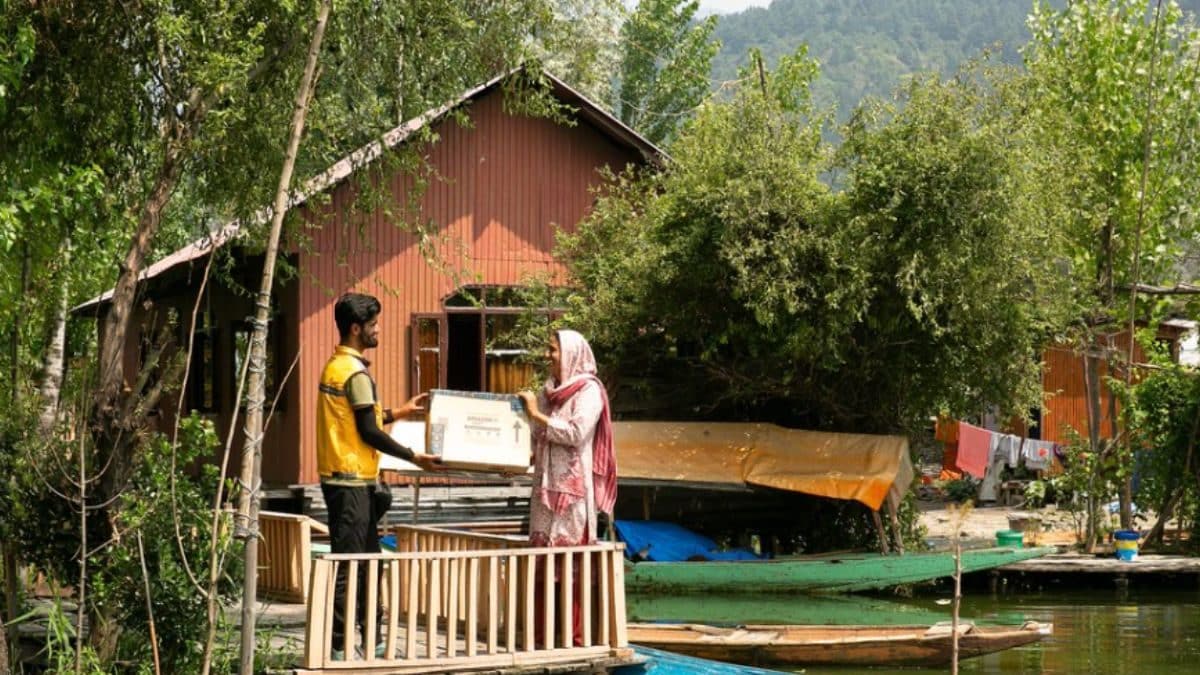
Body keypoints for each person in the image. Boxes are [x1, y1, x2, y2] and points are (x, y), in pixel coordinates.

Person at [316, 292, 441, 659]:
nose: (378, 330)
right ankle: (340, 645)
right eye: (373, 325)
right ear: (356, 329)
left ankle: (372, 637)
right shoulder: (354, 372)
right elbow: (368, 431)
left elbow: (359, 418)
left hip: (350, 478)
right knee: (351, 564)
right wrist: (413, 457)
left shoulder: (338, 366)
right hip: (349, 478)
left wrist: (397, 412)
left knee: (370, 561)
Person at [517, 329, 616, 646]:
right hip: (544, 489)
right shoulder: (548, 392)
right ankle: (540, 635)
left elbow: (575, 433)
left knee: (571, 565)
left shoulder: (588, 391)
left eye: (553, 350)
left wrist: (535, 415)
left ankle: (573, 638)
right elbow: (537, 434)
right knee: (541, 563)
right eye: (547, 350)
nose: (549, 356)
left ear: (572, 354)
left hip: (572, 494)